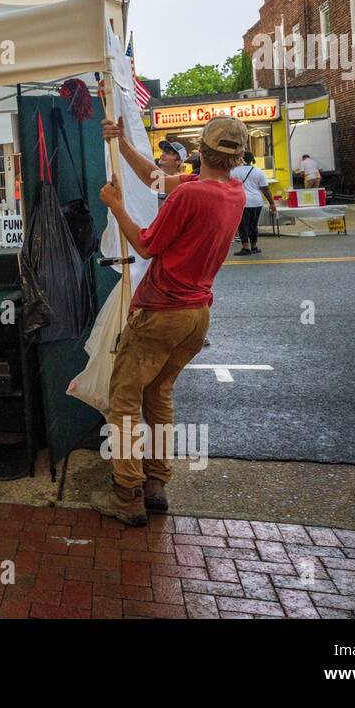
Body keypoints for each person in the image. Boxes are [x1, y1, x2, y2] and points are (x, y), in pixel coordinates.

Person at [94, 115, 249, 526]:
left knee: (124, 402)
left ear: (201, 150)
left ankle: (127, 495)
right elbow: (156, 181)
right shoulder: (232, 191)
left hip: (161, 312)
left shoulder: (191, 196)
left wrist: (115, 206)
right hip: (196, 317)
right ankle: (156, 482)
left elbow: (145, 246)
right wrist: (124, 143)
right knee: (159, 396)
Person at [234, 151, 277, 256]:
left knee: (243, 225)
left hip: (242, 202)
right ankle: (254, 247)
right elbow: (265, 189)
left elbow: (227, 186)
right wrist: (272, 203)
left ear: (241, 159)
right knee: (253, 225)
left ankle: (245, 248)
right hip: (257, 202)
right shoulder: (258, 171)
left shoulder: (234, 171)